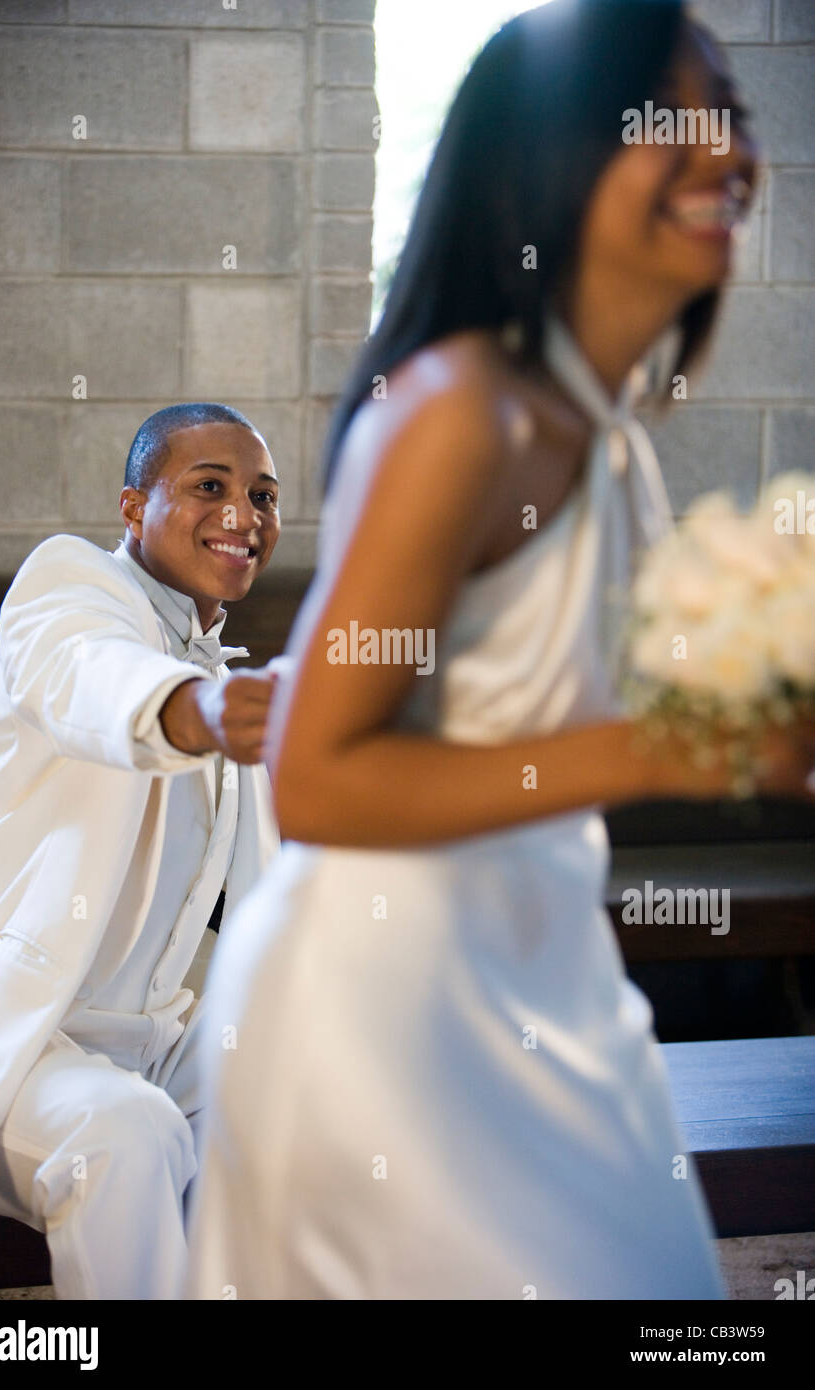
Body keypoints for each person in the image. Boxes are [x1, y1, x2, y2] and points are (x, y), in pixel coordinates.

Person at [185, 2, 815, 1302]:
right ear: (555, 153)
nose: (727, 154)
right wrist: (677, 750)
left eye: (736, 120)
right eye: (674, 118)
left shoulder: (603, 425)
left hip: (545, 974)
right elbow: (316, 781)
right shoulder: (461, 413)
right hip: (391, 1011)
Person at [0, 402, 282, 1299]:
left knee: (336, 1090)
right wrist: (202, 712)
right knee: (127, 1136)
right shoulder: (68, 586)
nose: (243, 515)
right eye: (209, 487)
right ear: (133, 508)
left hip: (163, 1040)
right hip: (21, 1041)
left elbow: (276, 901)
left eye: (262, 495)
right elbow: (93, 677)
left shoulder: (227, 675)